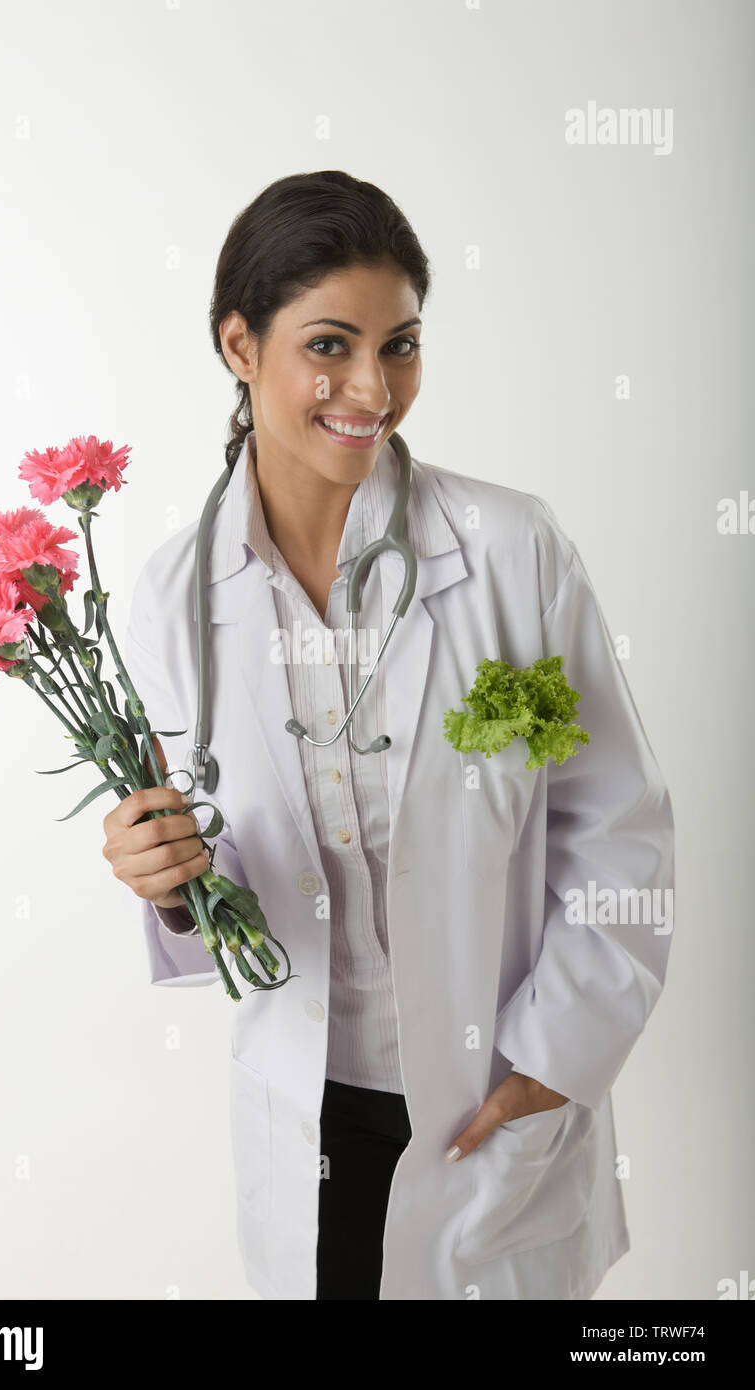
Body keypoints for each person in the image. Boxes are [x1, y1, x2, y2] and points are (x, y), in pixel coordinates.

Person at [102, 171, 674, 1301]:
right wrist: (164, 881)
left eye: (400, 345)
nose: (372, 386)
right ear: (236, 344)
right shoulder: (170, 603)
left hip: (492, 1105)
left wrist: (551, 1066)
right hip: (306, 1117)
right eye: (329, 344)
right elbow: (216, 896)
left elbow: (619, 832)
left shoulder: (510, 548)